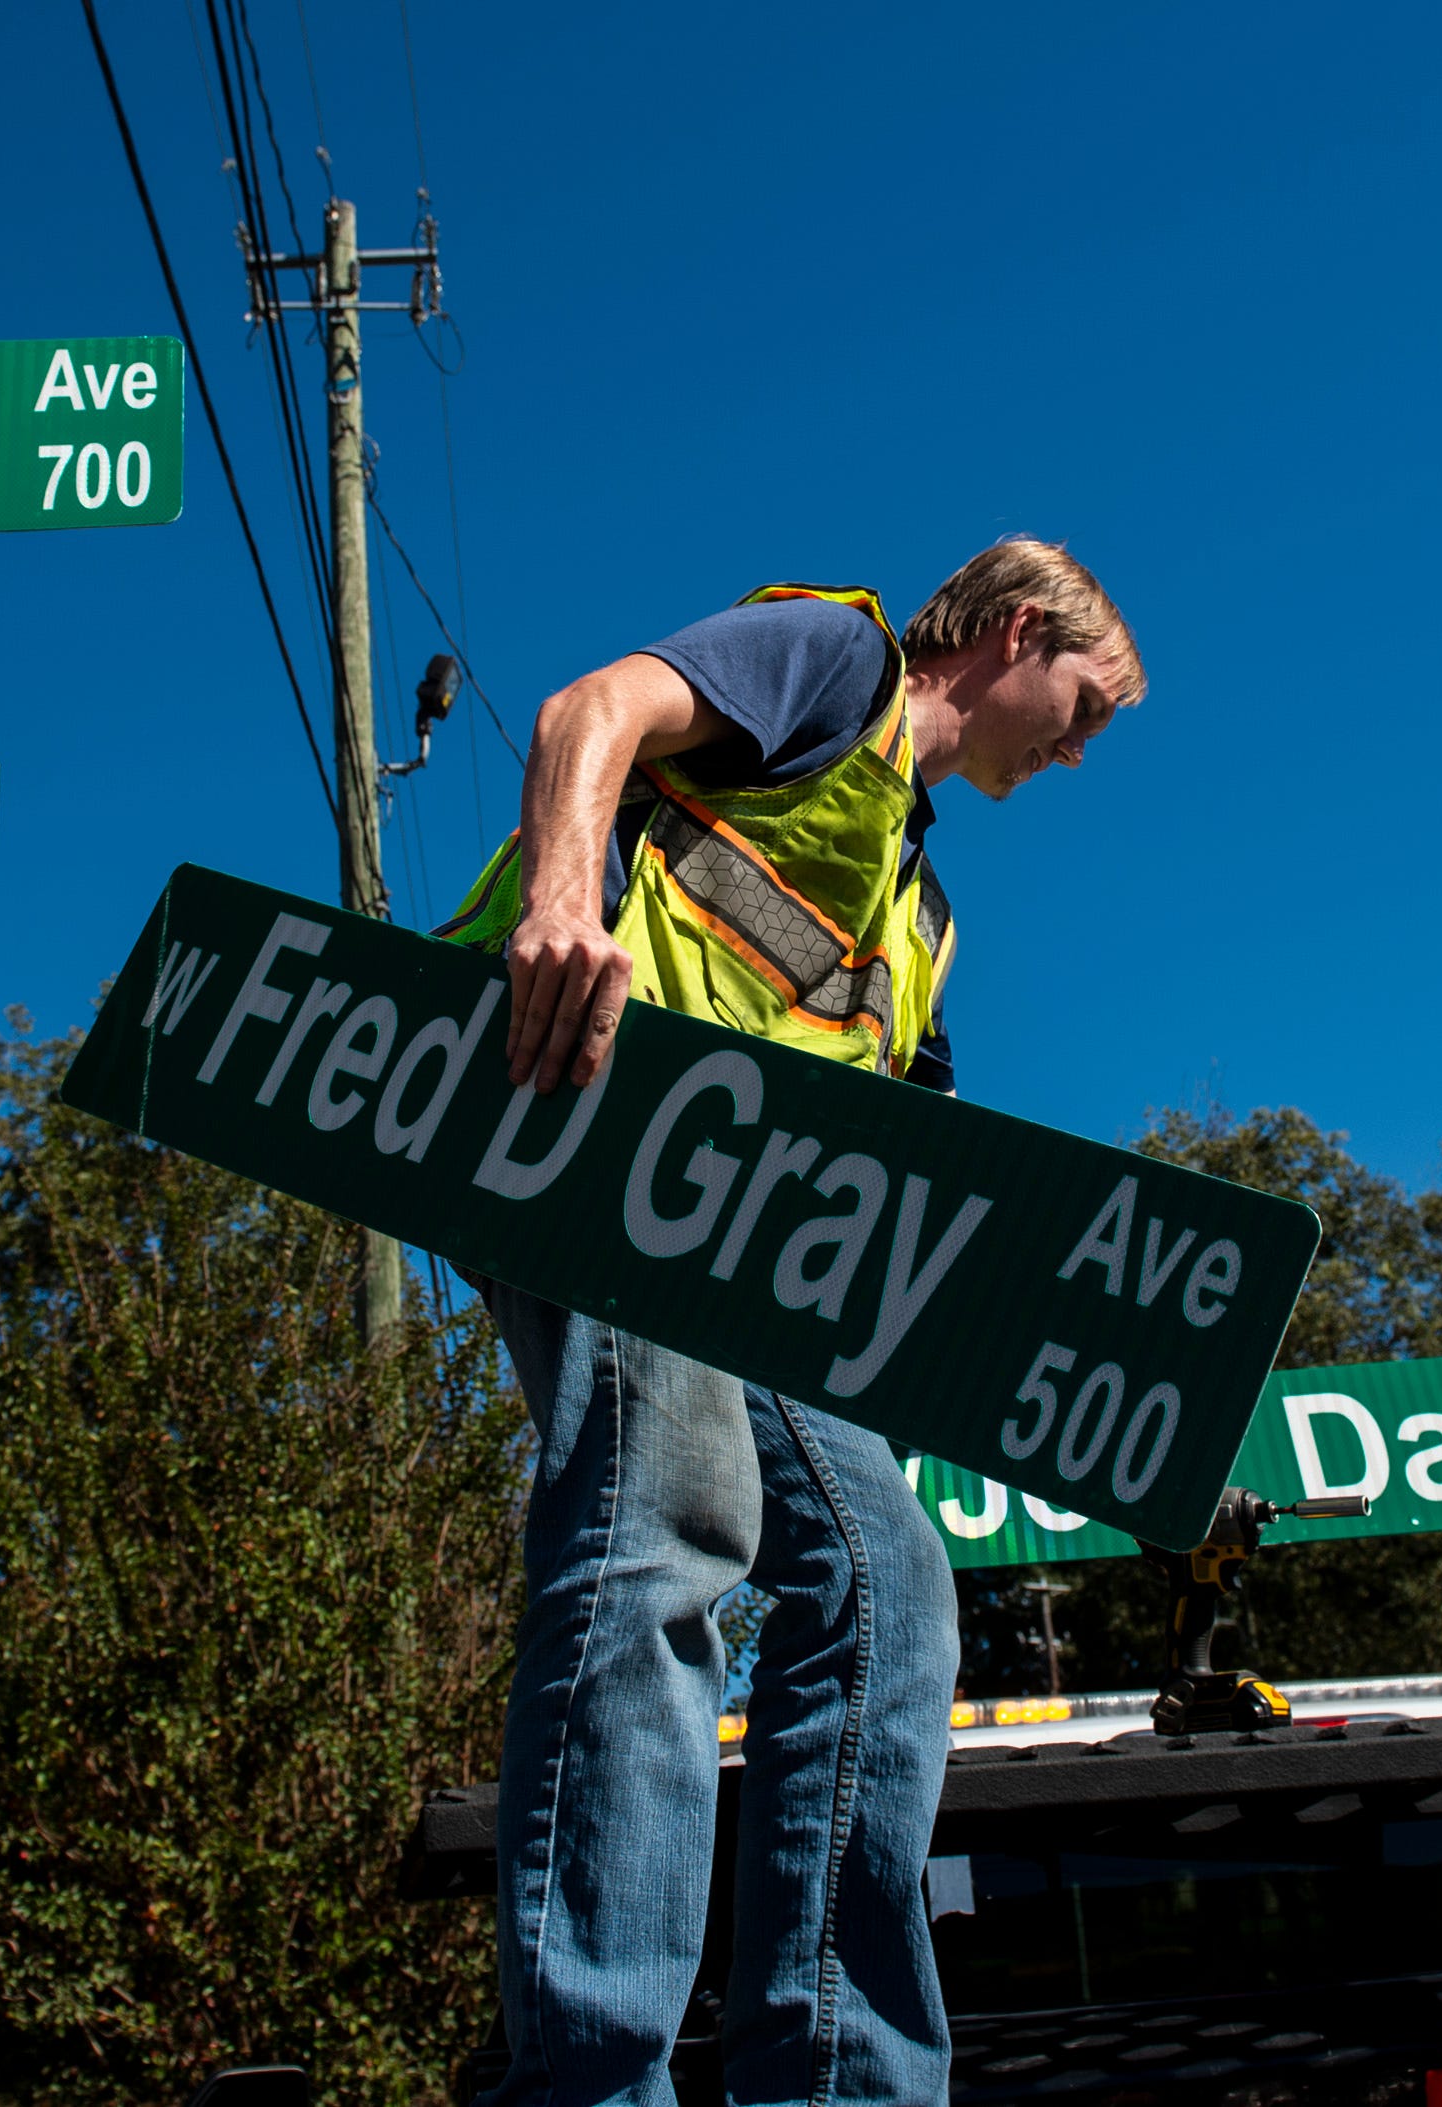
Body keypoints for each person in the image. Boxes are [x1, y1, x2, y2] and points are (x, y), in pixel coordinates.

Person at [435, 539, 1146, 2107]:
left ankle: (840, 2080)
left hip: (755, 1260)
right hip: (599, 1133)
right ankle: (589, 2080)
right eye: (1084, 706)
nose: (1079, 750)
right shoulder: (836, 665)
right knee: (663, 1537)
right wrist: (562, 904)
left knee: (894, 1591)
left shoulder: (923, 907)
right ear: (1019, 630)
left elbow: (917, 1170)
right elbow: (586, 712)